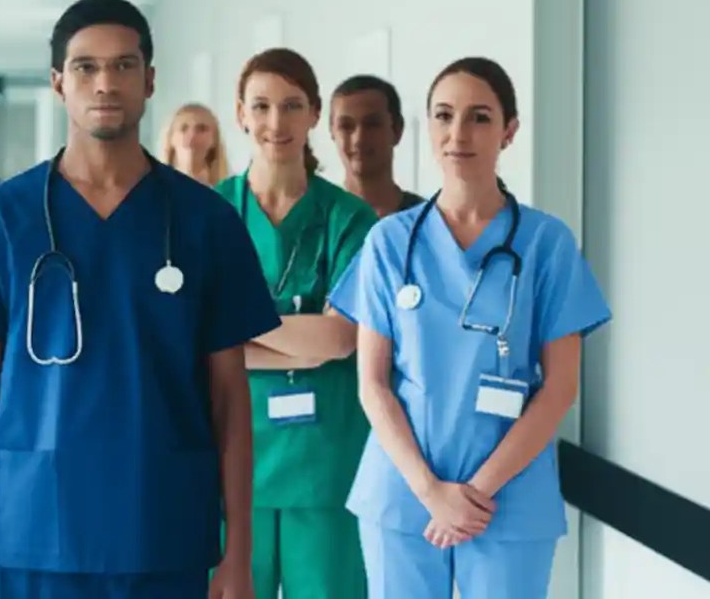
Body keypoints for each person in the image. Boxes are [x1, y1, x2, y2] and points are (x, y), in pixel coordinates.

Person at [0, 0, 279, 599]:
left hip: (164, 527)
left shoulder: (205, 221)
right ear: (58, 83)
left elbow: (230, 394)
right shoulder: (4, 216)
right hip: (40, 528)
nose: (105, 83)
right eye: (86, 67)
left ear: (150, 81)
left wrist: (239, 554)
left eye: (123, 65)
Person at [328, 57, 611, 599]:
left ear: (509, 130)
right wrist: (430, 492)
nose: (458, 134)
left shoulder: (546, 243)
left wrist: (475, 493)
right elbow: (373, 383)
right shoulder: (389, 241)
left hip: (508, 493)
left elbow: (559, 388)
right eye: (443, 115)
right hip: (404, 488)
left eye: (479, 117)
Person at [213, 48, 378, 599]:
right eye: (261, 106)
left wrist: (237, 324)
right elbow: (193, 341)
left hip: (325, 461)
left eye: (291, 105)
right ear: (240, 113)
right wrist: (304, 342)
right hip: (232, 459)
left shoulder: (349, 218)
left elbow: (342, 337)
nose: (275, 122)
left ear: (314, 114)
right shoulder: (210, 214)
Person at [330, 74, 425, 217]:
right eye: (346, 126)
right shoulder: (316, 221)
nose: (358, 139)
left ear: (397, 130)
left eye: (372, 124)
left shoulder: (428, 221)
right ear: (332, 132)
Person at [159, 102, 228, 186]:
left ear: (214, 139)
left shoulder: (228, 191)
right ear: (171, 138)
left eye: (201, 129)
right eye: (184, 128)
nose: (192, 135)